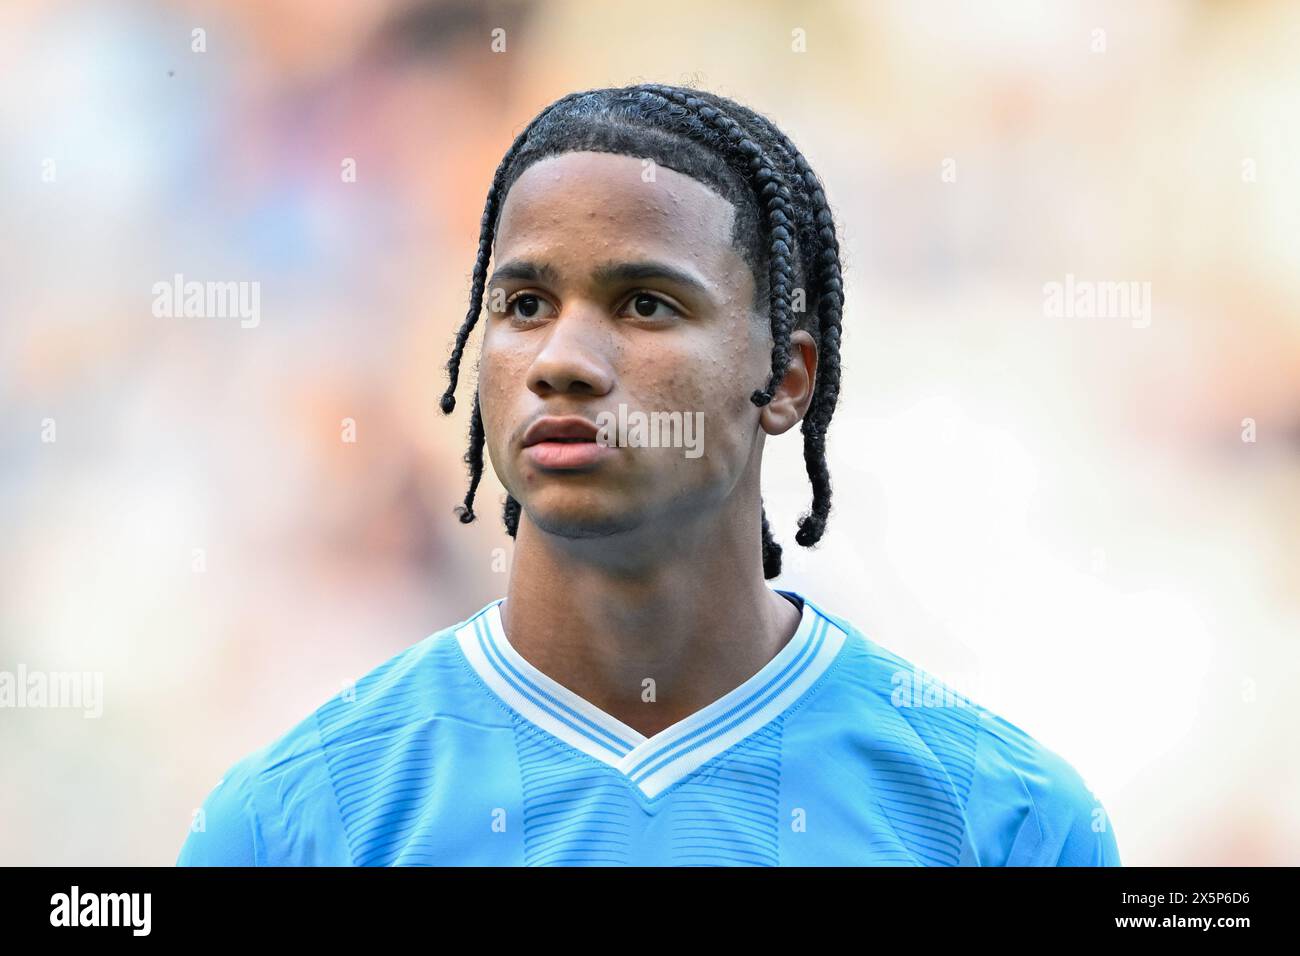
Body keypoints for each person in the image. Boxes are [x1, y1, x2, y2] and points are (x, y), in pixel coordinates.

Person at [177, 84, 1121, 866]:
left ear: (785, 379)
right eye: (525, 303)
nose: (562, 359)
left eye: (644, 303)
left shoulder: (1003, 823)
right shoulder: (291, 824)